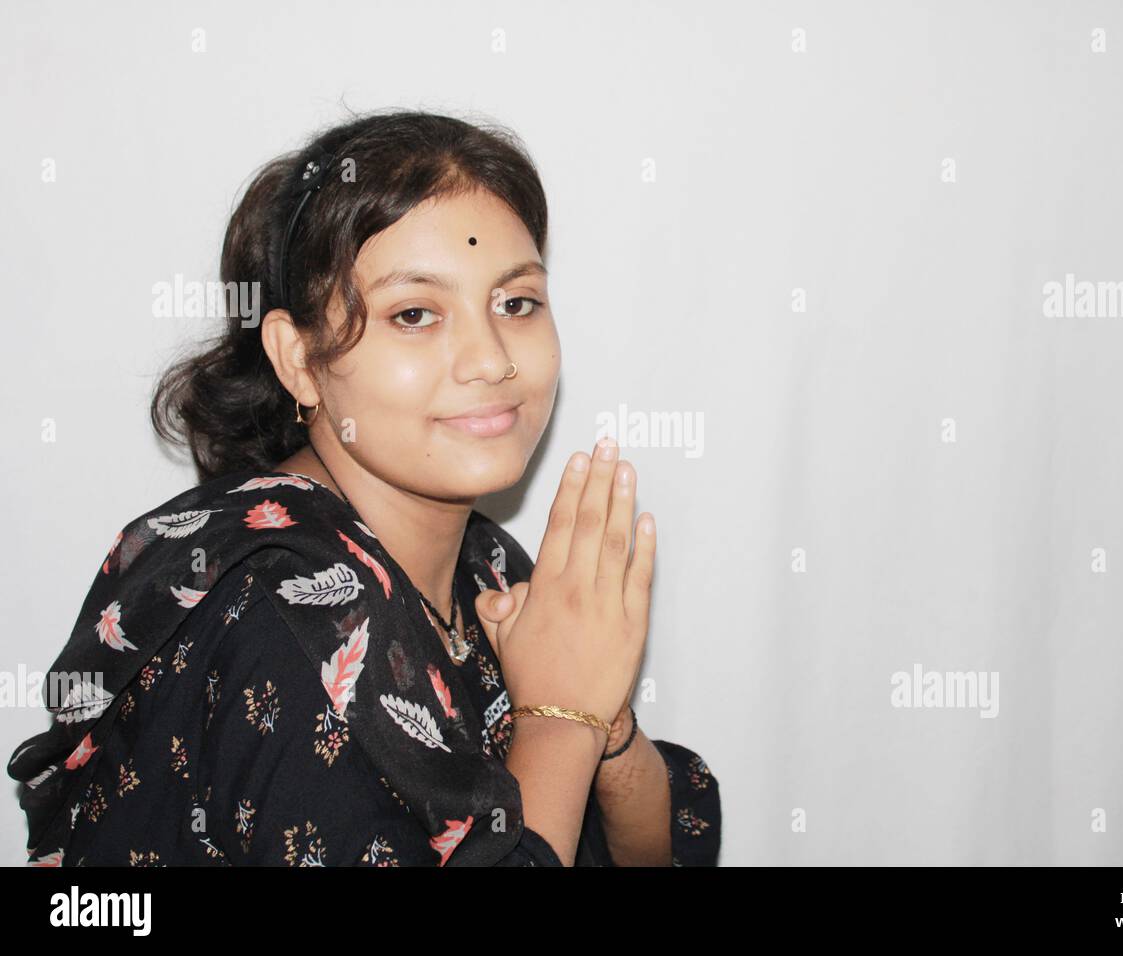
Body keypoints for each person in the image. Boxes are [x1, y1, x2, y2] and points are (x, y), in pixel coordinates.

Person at [7, 109, 720, 867]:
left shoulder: (486, 565)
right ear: (297, 358)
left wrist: (602, 724)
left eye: (516, 303)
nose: (489, 359)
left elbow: (652, 849)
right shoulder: (275, 623)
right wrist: (558, 719)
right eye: (415, 315)